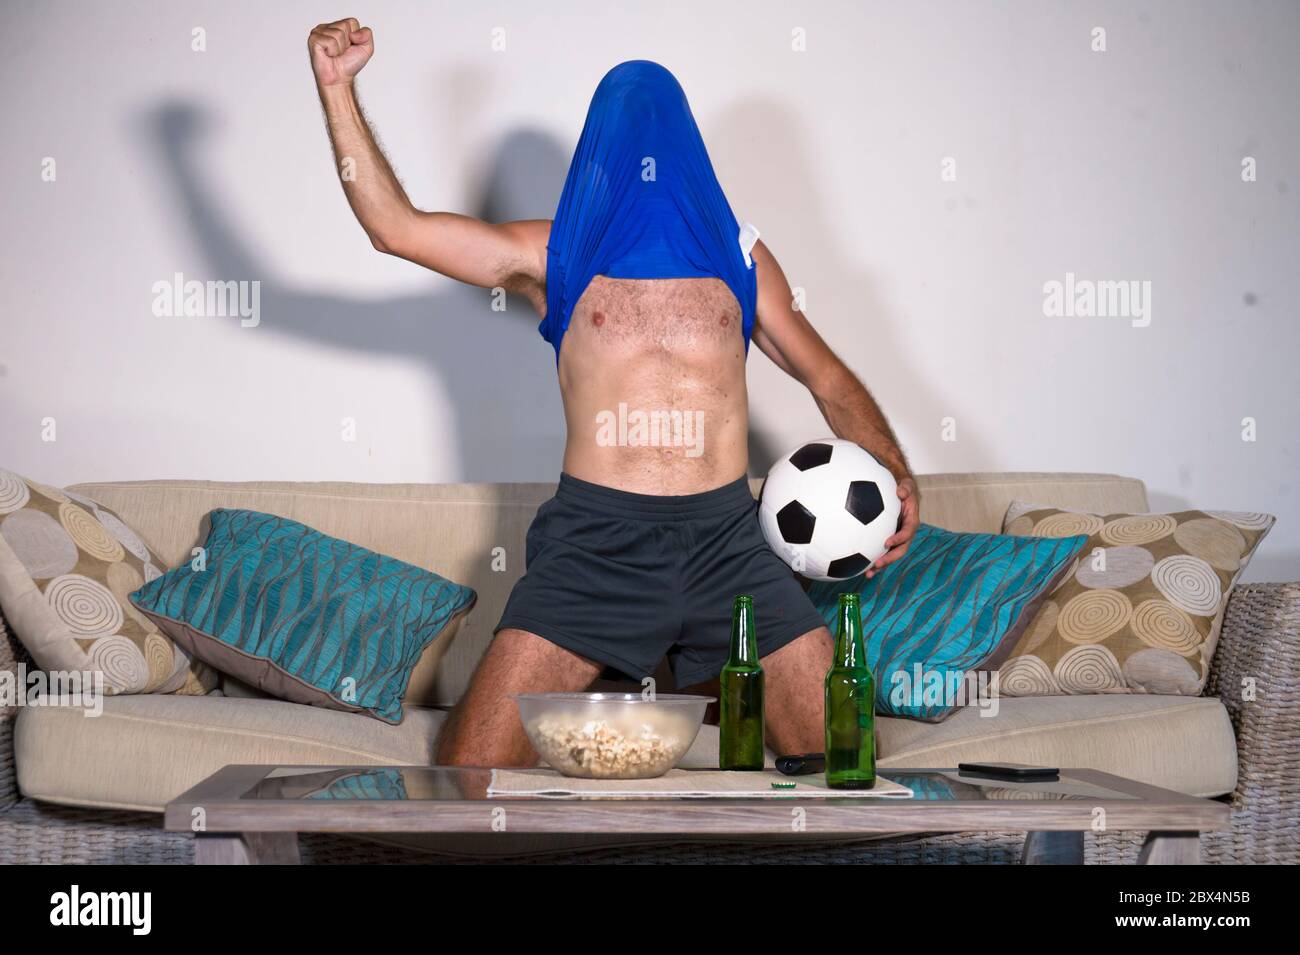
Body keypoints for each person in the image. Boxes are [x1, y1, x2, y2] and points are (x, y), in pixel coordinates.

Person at [307, 18, 919, 766]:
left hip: (728, 540)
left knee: (846, 751)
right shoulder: (554, 250)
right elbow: (396, 229)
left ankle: (682, 681)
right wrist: (338, 87)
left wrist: (894, 465)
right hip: (595, 542)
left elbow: (825, 374)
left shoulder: (743, 259)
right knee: (470, 770)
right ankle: (640, 673)